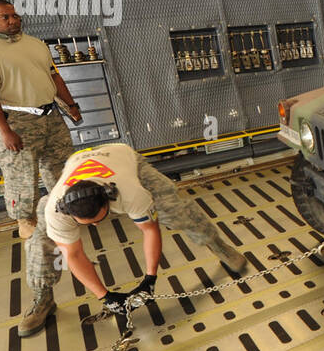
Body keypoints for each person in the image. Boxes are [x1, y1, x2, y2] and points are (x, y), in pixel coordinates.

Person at [20, 142, 247, 336]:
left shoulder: (129, 192)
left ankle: (218, 245)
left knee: (174, 208)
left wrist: (150, 279)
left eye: (100, 219)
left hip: (122, 157)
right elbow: (74, 254)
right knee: (40, 239)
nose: (97, 226)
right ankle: (43, 297)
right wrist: (105, 296)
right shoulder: (56, 210)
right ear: (69, 213)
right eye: (89, 224)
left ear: (109, 201)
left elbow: (149, 230)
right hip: (77, 163)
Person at [0, 0, 82, 239]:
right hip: (16, 120)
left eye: (15, 16)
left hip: (50, 116)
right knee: (22, 175)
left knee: (61, 168)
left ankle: (65, 211)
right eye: (4, 17)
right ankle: (27, 221)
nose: (12, 21)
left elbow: (54, 78)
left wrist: (71, 105)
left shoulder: (36, 44)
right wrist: (5, 131)